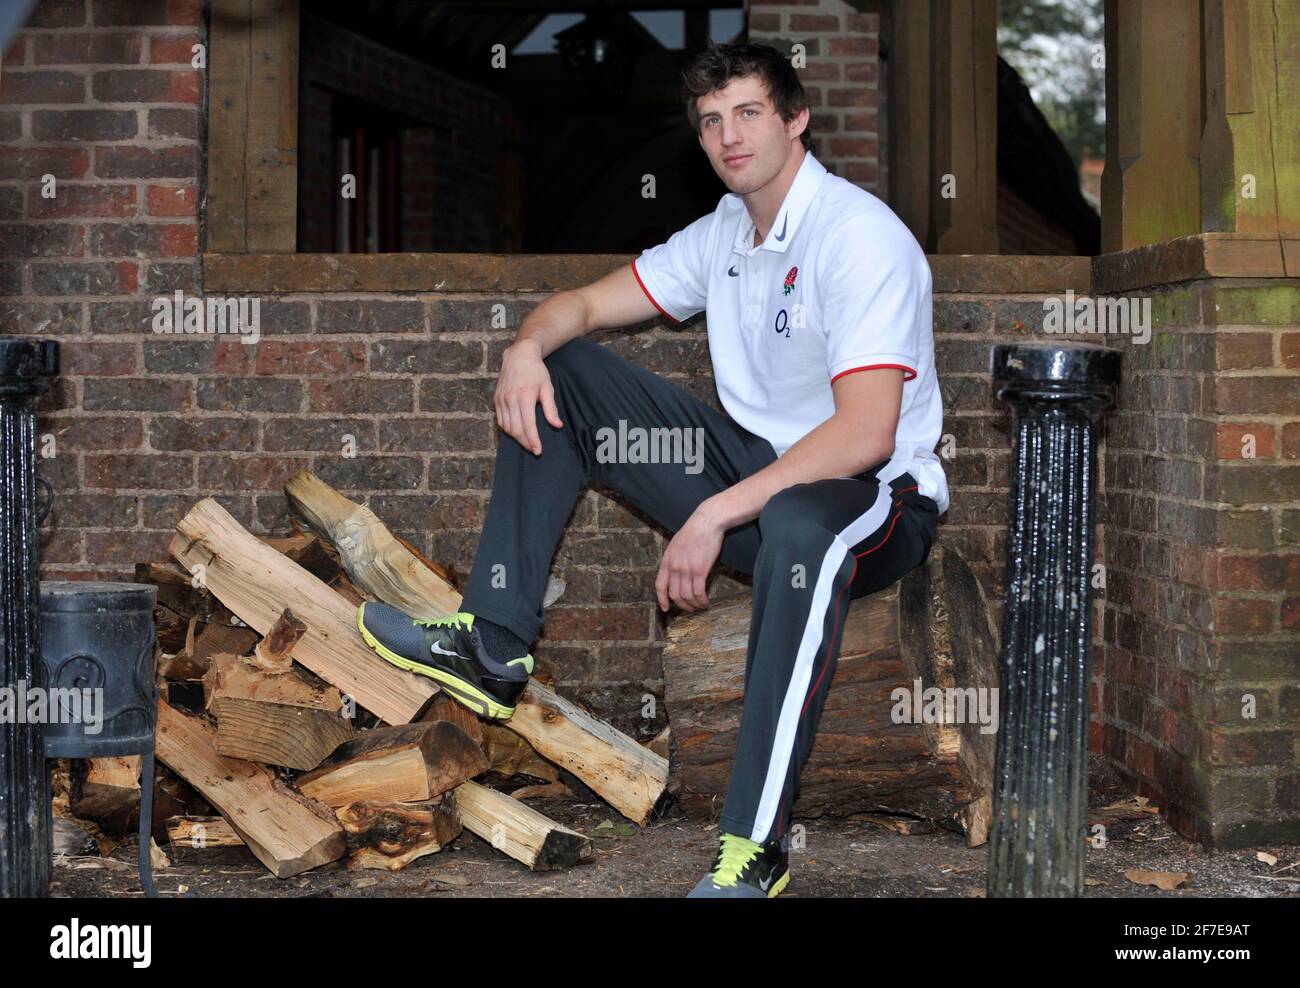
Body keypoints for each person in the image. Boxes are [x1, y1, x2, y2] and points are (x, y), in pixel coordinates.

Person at [357, 41, 947, 898]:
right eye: (711, 122)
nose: (728, 136)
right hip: (761, 475)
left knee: (798, 521)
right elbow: (589, 304)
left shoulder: (858, 237)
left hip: (873, 501)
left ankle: (754, 850)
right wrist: (524, 347)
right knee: (568, 373)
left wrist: (711, 517)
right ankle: (491, 646)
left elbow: (863, 434)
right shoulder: (722, 235)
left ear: (795, 119)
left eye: (748, 113)